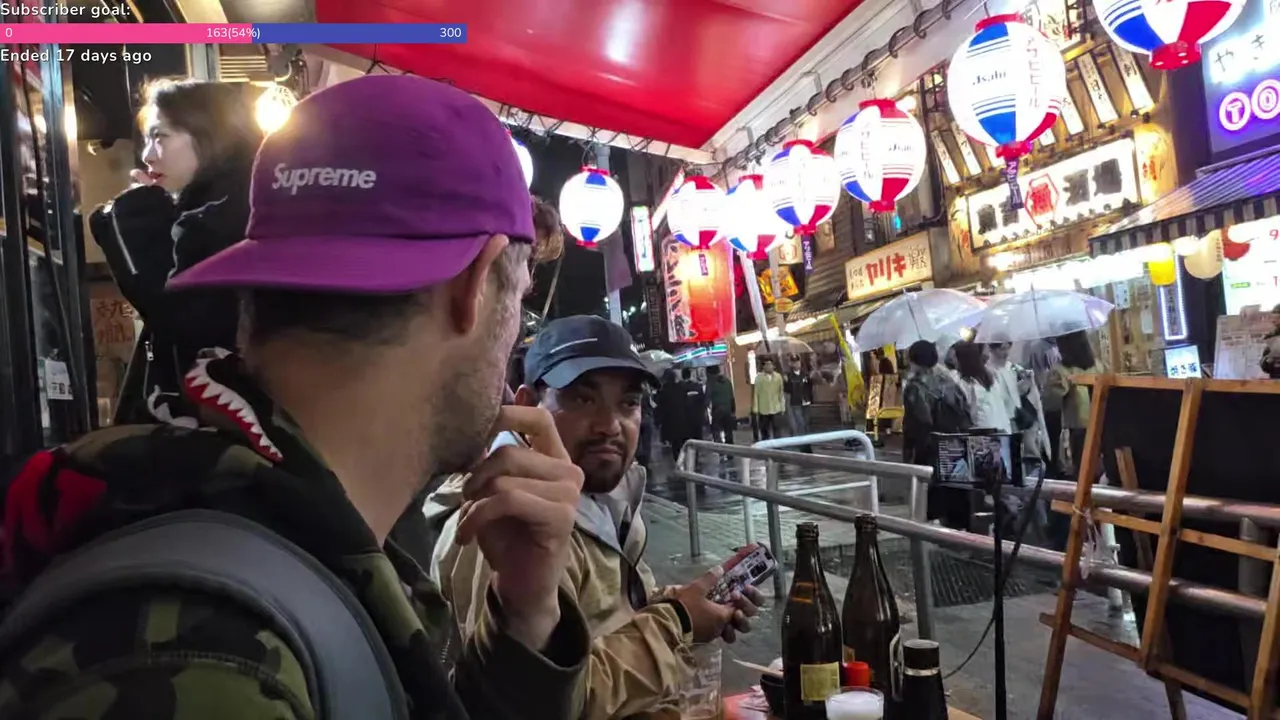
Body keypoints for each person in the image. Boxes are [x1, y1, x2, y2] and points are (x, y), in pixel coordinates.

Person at [0, 76, 591, 720]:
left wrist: (526, 616)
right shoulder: (214, 667)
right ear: (474, 288)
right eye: (519, 298)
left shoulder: (280, 545)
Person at [432, 316, 763, 719]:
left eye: (629, 403)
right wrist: (678, 622)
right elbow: (536, 703)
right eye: (582, 399)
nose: (610, 426)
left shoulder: (607, 499)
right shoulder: (504, 527)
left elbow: (608, 619)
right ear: (526, 406)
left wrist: (685, 602)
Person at [92, 79, 261, 425]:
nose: (148, 155)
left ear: (211, 134)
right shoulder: (228, 206)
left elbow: (175, 311)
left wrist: (138, 214)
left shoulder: (231, 216)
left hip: (218, 435)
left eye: (161, 137)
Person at [902, 341, 973, 529]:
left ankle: (936, 535)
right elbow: (965, 412)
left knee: (932, 498)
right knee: (957, 495)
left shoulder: (915, 387)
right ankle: (962, 534)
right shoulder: (949, 382)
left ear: (913, 360)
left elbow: (916, 424)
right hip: (956, 446)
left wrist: (908, 453)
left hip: (930, 449)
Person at [1044, 330, 1101, 480]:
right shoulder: (1098, 365)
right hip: (1101, 426)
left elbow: (1050, 403)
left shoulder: (1060, 370)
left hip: (1077, 429)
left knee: (1081, 475)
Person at [952, 340, 1012, 432]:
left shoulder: (963, 382)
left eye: (955, 356)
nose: (953, 360)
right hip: (1003, 430)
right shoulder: (990, 377)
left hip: (984, 433)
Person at [782, 354, 815, 451]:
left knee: (807, 423)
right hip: (796, 402)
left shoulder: (806, 374)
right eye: (794, 362)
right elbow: (787, 390)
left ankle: (807, 441)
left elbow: (810, 387)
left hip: (806, 401)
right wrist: (786, 382)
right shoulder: (789, 376)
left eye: (798, 362)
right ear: (791, 364)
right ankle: (803, 444)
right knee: (800, 423)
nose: (796, 364)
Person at [752, 358, 786, 440]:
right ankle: (766, 443)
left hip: (776, 407)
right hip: (764, 408)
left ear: (773, 366)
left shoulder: (778, 377)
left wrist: (783, 406)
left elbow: (781, 392)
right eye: (766, 364)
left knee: (777, 429)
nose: (769, 366)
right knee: (764, 430)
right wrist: (755, 408)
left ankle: (778, 444)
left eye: (770, 364)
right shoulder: (759, 378)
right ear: (763, 366)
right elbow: (756, 393)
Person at [706, 365, 737, 444]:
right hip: (728, 409)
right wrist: (733, 410)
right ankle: (730, 448)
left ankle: (720, 448)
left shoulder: (711, 383)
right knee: (728, 431)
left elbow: (707, 398)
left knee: (716, 430)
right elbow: (732, 397)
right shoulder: (727, 381)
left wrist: (706, 407)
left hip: (717, 410)